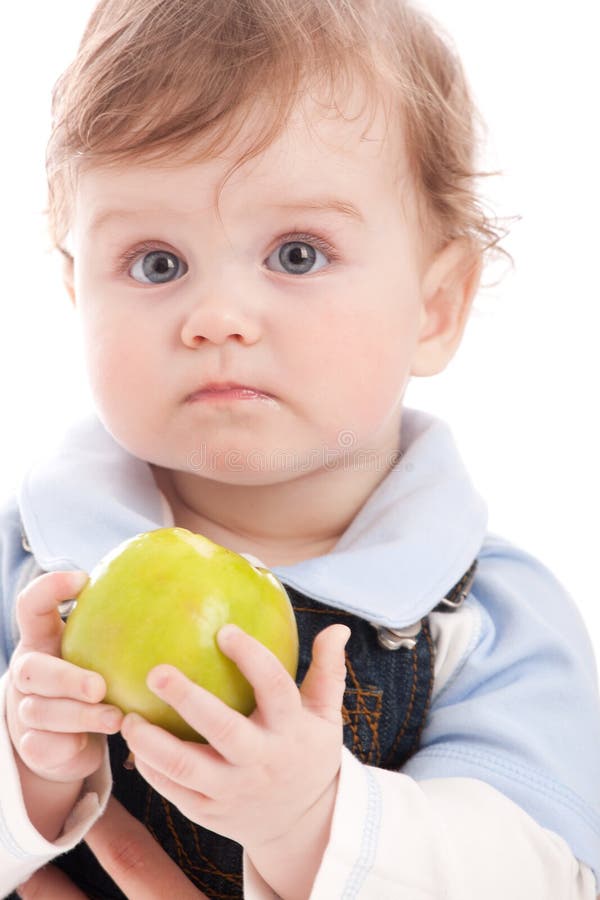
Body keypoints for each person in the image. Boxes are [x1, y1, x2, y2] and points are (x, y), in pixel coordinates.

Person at [1, 0, 600, 897]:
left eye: (297, 253)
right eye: (158, 263)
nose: (218, 320)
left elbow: (545, 873)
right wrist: (34, 782)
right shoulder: (32, 562)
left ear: (436, 308)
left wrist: (314, 823)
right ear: (77, 289)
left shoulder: (486, 618)